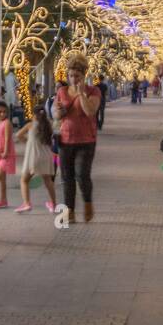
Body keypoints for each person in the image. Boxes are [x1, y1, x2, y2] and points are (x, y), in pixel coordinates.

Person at [54, 56, 101, 223]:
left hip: (86, 140)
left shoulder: (93, 91)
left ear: (84, 76)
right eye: (71, 75)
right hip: (65, 140)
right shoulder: (61, 92)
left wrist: (81, 94)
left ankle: (88, 203)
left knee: (82, 174)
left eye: (77, 76)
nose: (73, 79)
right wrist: (59, 111)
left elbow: (90, 112)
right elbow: (56, 115)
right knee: (67, 178)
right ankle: (69, 212)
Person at [15, 105, 58, 213]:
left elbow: (18, 135)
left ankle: (27, 203)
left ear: (34, 115)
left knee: (24, 180)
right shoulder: (49, 126)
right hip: (46, 156)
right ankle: (53, 204)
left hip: (33, 156)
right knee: (48, 181)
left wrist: (28, 142)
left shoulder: (30, 125)